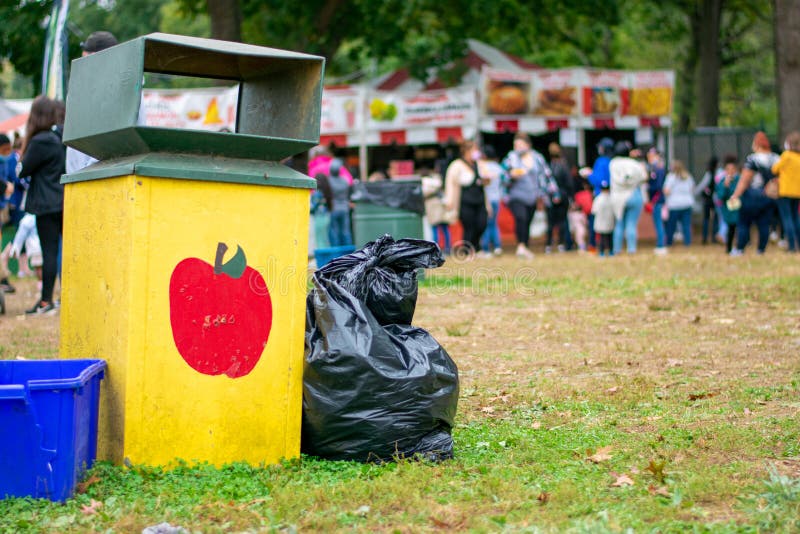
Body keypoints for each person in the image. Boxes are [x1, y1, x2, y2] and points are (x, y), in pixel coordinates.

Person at [18, 96, 65, 315]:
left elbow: (24, 169)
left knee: (49, 252)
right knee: (65, 251)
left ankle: (46, 301)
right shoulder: (59, 137)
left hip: (46, 204)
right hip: (64, 200)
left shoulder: (40, 141)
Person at [66, 31, 119, 175]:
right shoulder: (84, 87)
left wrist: (85, 172)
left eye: (86, 57)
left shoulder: (117, 88)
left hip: (96, 175)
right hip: (83, 174)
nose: (83, 63)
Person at [729, 132, 780, 256]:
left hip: (752, 195)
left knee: (744, 222)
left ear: (756, 144)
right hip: (768, 196)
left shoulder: (753, 159)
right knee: (764, 223)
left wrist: (735, 194)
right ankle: (761, 250)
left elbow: (745, 180)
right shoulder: (776, 158)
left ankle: (740, 248)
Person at [502, 132, 548, 258]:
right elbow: (503, 176)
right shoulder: (511, 158)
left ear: (528, 145)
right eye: (516, 145)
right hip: (516, 195)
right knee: (520, 217)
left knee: (527, 220)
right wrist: (511, 175)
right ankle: (521, 245)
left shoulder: (537, 158)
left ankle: (525, 246)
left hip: (532, 196)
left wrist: (543, 195)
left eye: (520, 144)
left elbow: (544, 177)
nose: (518, 147)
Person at [445, 139, 490, 257]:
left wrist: (487, 179)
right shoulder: (457, 165)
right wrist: (449, 200)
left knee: (482, 223)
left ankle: (476, 246)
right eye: (474, 150)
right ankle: (467, 250)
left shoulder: (479, 164)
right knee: (469, 226)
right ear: (466, 151)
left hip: (480, 200)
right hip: (465, 201)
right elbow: (450, 183)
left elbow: (487, 178)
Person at [609, 140, 647, 255]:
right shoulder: (634, 164)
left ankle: (617, 249)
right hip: (633, 194)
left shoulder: (613, 163)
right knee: (631, 224)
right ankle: (631, 249)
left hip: (618, 196)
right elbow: (644, 177)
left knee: (619, 224)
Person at [771, 131, 800, 253]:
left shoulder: (786, 155)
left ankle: (792, 246)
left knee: (787, 218)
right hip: (797, 192)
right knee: (796, 218)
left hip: (785, 191)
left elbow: (774, 169)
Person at [545, 142, 571, 253]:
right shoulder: (564, 166)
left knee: (550, 222)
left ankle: (548, 245)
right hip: (563, 196)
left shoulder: (548, 167)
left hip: (550, 196)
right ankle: (561, 244)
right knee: (562, 221)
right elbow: (569, 183)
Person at [479, 146, 505, 256]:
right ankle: (497, 246)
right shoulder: (499, 168)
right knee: (494, 224)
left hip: (486, 199)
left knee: (486, 224)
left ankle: (485, 248)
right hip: (496, 198)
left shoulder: (482, 167)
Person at [663, 160, 696, 247]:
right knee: (686, 225)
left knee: (671, 225)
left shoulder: (670, 177)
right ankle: (687, 243)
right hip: (687, 203)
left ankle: (669, 242)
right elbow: (692, 188)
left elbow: (666, 191)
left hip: (674, 205)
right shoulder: (688, 176)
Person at [421, 168, 452, 255]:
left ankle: (436, 250)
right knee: (445, 229)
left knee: (435, 229)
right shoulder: (437, 181)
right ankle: (448, 248)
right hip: (442, 207)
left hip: (431, 207)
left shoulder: (424, 184)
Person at [715, 155, 741, 254]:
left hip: (739, 208)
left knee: (740, 229)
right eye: (728, 169)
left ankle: (739, 247)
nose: (730, 171)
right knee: (731, 228)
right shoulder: (723, 181)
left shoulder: (740, 180)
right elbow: (720, 195)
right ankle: (729, 248)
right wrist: (725, 186)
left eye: (732, 169)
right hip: (729, 209)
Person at [326, 159, 353, 247]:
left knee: (335, 231)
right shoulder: (344, 181)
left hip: (334, 208)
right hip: (344, 207)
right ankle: (348, 250)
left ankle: (336, 250)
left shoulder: (329, 181)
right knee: (345, 230)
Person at [695, 156, 719, 244]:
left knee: (706, 218)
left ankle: (705, 238)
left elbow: (702, 186)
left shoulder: (709, 174)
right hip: (716, 199)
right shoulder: (717, 173)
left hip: (708, 199)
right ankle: (714, 237)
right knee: (715, 218)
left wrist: (695, 192)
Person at [591, 181, 615, 257]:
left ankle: (602, 252)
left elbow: (593, 211)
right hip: (609, 221)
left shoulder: (598, 199)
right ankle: (610, 251)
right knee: (609, 238)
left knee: (602, 238)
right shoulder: (611, 198)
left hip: (601, 221)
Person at [570, 180, 593, 252]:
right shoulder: (588, 194)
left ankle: (582, 248)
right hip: (588, 214)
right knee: (585, 236)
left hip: (578, 229)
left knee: (579, 239)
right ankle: (587, 246)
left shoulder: (577, 196)